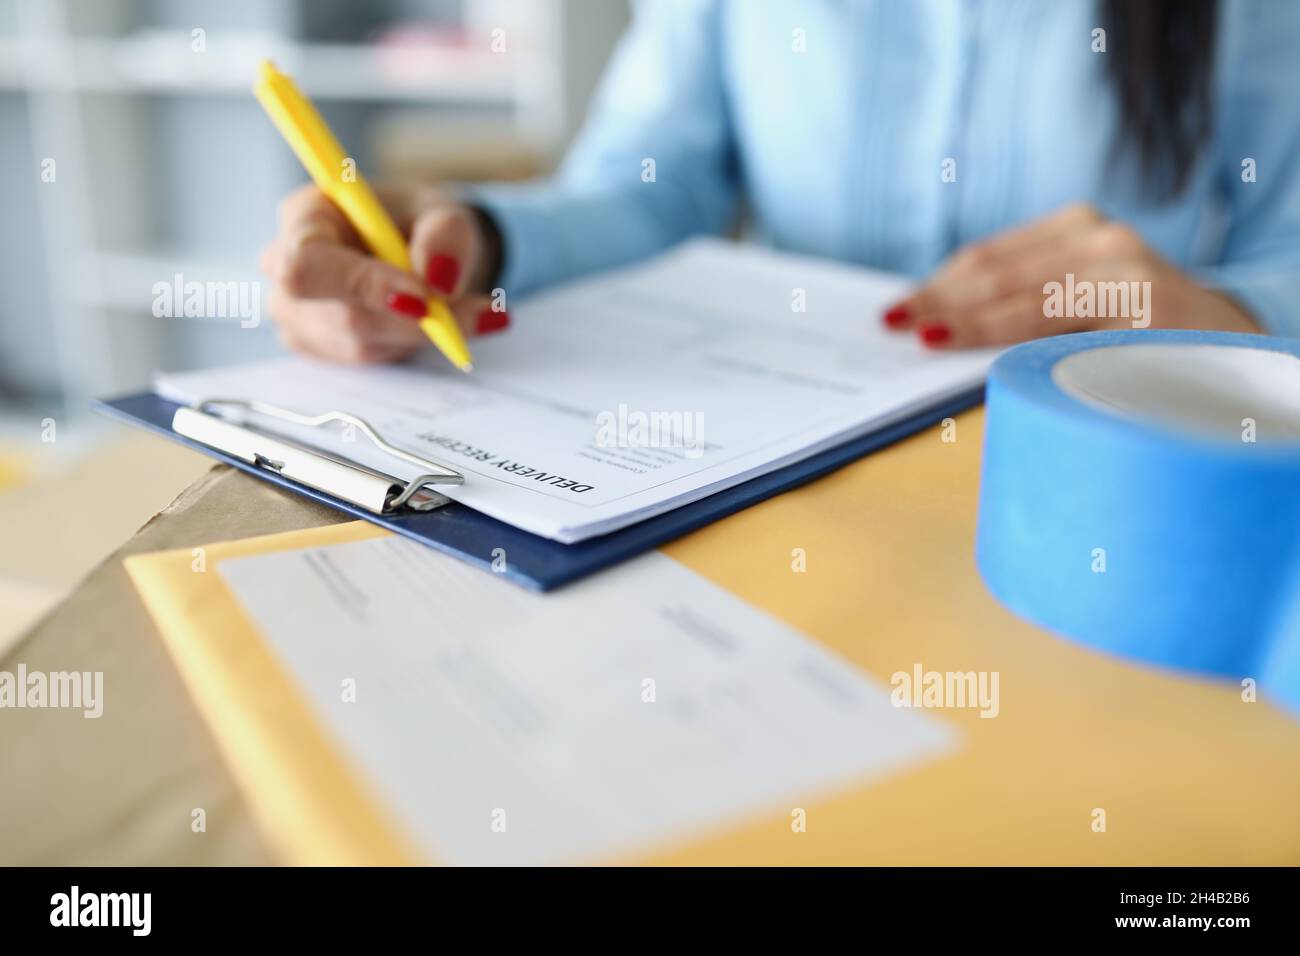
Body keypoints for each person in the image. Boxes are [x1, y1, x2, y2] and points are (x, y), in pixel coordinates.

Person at [261, 0, 1300, 364]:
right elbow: (651, 190)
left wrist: (1220, 310)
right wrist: (473, 241)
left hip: (1117, 468)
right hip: (776, 472)